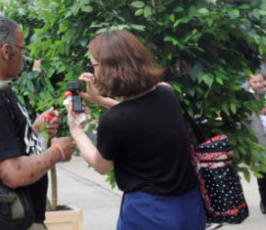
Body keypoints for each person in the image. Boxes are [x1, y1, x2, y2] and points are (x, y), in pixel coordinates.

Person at [66, 28, 205, 229]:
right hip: (189, 206)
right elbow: (138, 115)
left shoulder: (113, 121)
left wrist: (77, 131)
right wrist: (100, 100)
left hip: (148, 212)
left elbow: (101, 166)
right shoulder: (167, 93)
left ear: (109, 69)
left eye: (93, 65)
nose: (93, 72)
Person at [0, 16, 74, 228]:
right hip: (16, 223)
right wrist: (57, 151)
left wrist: (35, 128)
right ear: (6, 51)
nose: (24, 56)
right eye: (22, 49)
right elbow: (12, 174)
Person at [248, 71, 266, 214]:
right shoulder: (245, 99)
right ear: (249, 82)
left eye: (261, 81)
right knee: (264, 177)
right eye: (255, 82)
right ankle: (263, 200)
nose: (259, 84)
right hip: (258, 140)